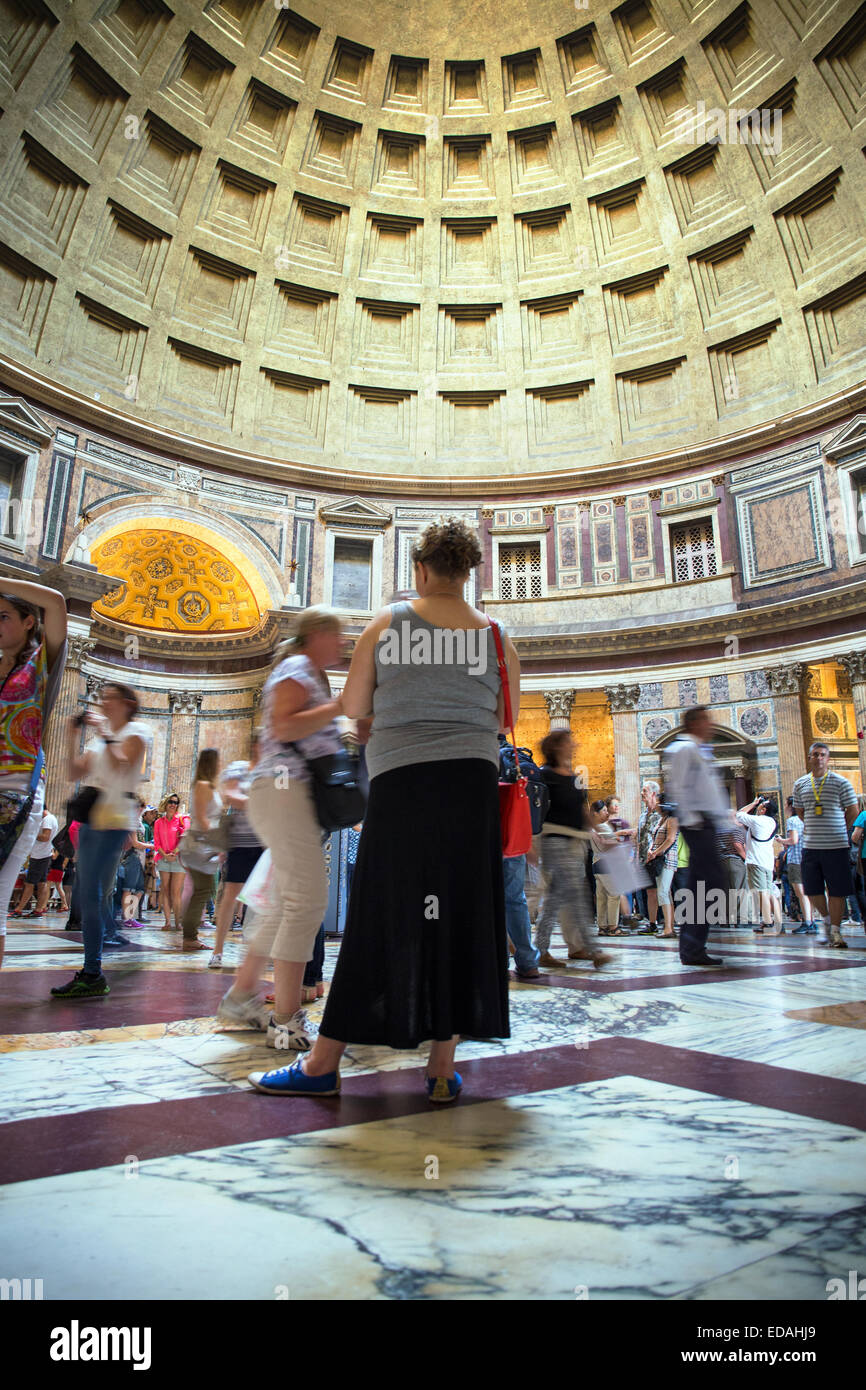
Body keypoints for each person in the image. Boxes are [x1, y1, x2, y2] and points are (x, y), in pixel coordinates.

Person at [246, 519, 516, 1099]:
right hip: (471, 783)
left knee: (379, 911)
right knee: (460, 914)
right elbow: (502, 716)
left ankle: (322, 1066)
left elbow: (353, 705)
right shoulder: (495, 633)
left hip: (402, 782)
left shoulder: (389, 623)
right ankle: (442, 1071)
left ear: (419, 569)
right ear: (467, 573)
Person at [218, 606, 345, 1049]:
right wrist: (340, 706)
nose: (343, 643)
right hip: (284, 788)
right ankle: (287, 1021)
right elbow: (284, 724)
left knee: (281, 902)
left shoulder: (302, 670)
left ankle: (240, 995)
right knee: (307, 903)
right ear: (317, 635)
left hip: (284, 792)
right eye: (337, 635)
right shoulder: (296, 666)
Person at [51, 682, 151, 998]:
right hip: (94, 818)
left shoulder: (138, 731)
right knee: (87, 893)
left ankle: (94, 971)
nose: (103, 702)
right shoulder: (98, 742)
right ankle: (92, 968)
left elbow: (124, 762)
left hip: (115, 818)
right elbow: (71, 772)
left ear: (126, 702)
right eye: (102, 697)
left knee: (93, 893)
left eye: (109, 697)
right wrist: (70, 735)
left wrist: (104, 732)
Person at [0, 577, 68, 970]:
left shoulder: (41, 663)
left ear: (28, 621)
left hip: (17, 790)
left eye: (4, 616)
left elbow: (57, 604)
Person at [663, 705, 734, 967]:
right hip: (698, 824)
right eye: (706, 720)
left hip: (705, 824)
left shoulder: (698, 750)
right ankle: (694, 945)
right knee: (709, 886)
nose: (711, 725)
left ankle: (693, 946)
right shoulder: (684, 749)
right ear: (694, 723)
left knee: (701, 887)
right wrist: (693, 821)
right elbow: (678, 787)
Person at [535, 730, 609, 969]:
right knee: (577, 893)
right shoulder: (545, 775)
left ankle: (542, 949)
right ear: (556, 747)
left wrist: (600, 832)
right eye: (568, 742)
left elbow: (581, 810)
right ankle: (594, 950)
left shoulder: (574, 776)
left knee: (556, 898)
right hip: (554, 840)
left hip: (576, 840)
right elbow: (536, 809)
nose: (573, 745)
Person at [792, 741, 858, 949]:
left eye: (822, 755)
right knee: (811, 889)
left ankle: (836, 932)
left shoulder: (841, 782)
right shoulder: (800, 784)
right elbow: (801, 812)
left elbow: (853, 810)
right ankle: (828, 920)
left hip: (837, 845)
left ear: (828, 759)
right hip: (811, 845)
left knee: (837, 890)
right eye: (815, 755)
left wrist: (838, 828)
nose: (819, 758)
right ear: (809, 758)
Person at [209, 738, 263, 969]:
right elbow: (231, 797)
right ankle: (217, 951)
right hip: (241, 842)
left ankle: (256, 952)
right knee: (230, 897)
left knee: (262, 900)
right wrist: (265, 802)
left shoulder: (275, 770)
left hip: (266, 842)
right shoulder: (239, 769)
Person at [177, 748, 223, 953]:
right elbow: (204, 819)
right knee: (202, 891)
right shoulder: (204, 785)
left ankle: (190, 935)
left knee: (202, 891)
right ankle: (189, 937)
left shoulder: (205, 785)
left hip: (203, 844)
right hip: (200, 845)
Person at [737, 795, 783, 935]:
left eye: (760, 807)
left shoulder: (758, 821)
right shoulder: (773, 823)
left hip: (756, 861)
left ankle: (768, 922)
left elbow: (739, 814)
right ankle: (778, 922)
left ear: (763, 810)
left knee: (761, 893)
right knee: (769, 892)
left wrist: (753, 803)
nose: (758, 808)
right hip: (767, 862)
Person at [590, 798, 634, 936]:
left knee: (601, 897)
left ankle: (602, 927)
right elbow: (610, 844)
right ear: (596, 813)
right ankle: (613, 927)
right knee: (614, 895)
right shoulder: (602, 827)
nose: (606, 813)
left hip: (596, 863)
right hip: (606, 864)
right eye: (603, 811)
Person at [11, 805, 58, 918]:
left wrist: (30, 834)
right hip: (42, 855)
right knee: (41, 883)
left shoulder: (47, 819)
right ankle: (38, 909)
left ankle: (19, 909)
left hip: (40, 856)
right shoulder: (51, 819)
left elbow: (45, 837)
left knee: (29, 883)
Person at [643, 799, 679, 939]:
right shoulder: (662, 819)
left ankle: (668, 928)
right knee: (664, 892)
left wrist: (656, 852)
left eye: (658, 802)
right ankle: (668, 927)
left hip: (667, 859)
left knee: (663, 892)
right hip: (658, 859)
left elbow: (670, 839)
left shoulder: (672, 820)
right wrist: (651, 851)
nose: (656, 804)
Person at [153, 793, 188, 930]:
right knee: (165, 890)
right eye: (171, 802)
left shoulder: (182, 819)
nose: (173, 804)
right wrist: (165, 855)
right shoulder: (158, 822)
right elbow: (157, 842)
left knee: (176, 892)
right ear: (166, 803)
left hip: (178, 859)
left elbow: (186, 837)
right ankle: (167, 922)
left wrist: (175, 852)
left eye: (176, 802)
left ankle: (178, 923)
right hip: (163, 859)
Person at [636, 781, 662, 933]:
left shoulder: (661, 814)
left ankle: (667, 922)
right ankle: (652, 923)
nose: (642, 794)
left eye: (644, 791)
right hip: (645, 859)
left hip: (658, 857)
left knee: (664, 891)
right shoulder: (643, 815)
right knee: (650, 891)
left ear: (653, 793)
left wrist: (656, 852)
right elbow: (640, 837)